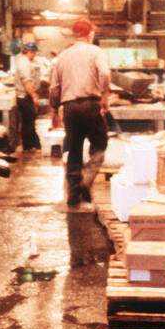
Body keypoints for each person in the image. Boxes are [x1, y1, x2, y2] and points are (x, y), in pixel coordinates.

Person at [49, 19, 111, 206]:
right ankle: (88, 179)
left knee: (74, 147)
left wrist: (53, 110)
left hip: (69, 108)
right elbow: (105, 73)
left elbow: (54, 87)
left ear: (75, 35)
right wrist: (105, 96)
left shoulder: (63, 56)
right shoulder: (96, 51)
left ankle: (73, 195)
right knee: (100, 142)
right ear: (90, 34)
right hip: (90, 105)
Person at [14, 41, 44, 151]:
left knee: (30, 121)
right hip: (25, 97)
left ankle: (34, 144)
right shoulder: (24, 63)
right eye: (35, 53)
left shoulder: (24, 61)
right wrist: (34, 96)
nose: (35, 55)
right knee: (28, 122)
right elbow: (27, 82)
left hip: (25, 96)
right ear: (30, 52)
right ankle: (28, 146)